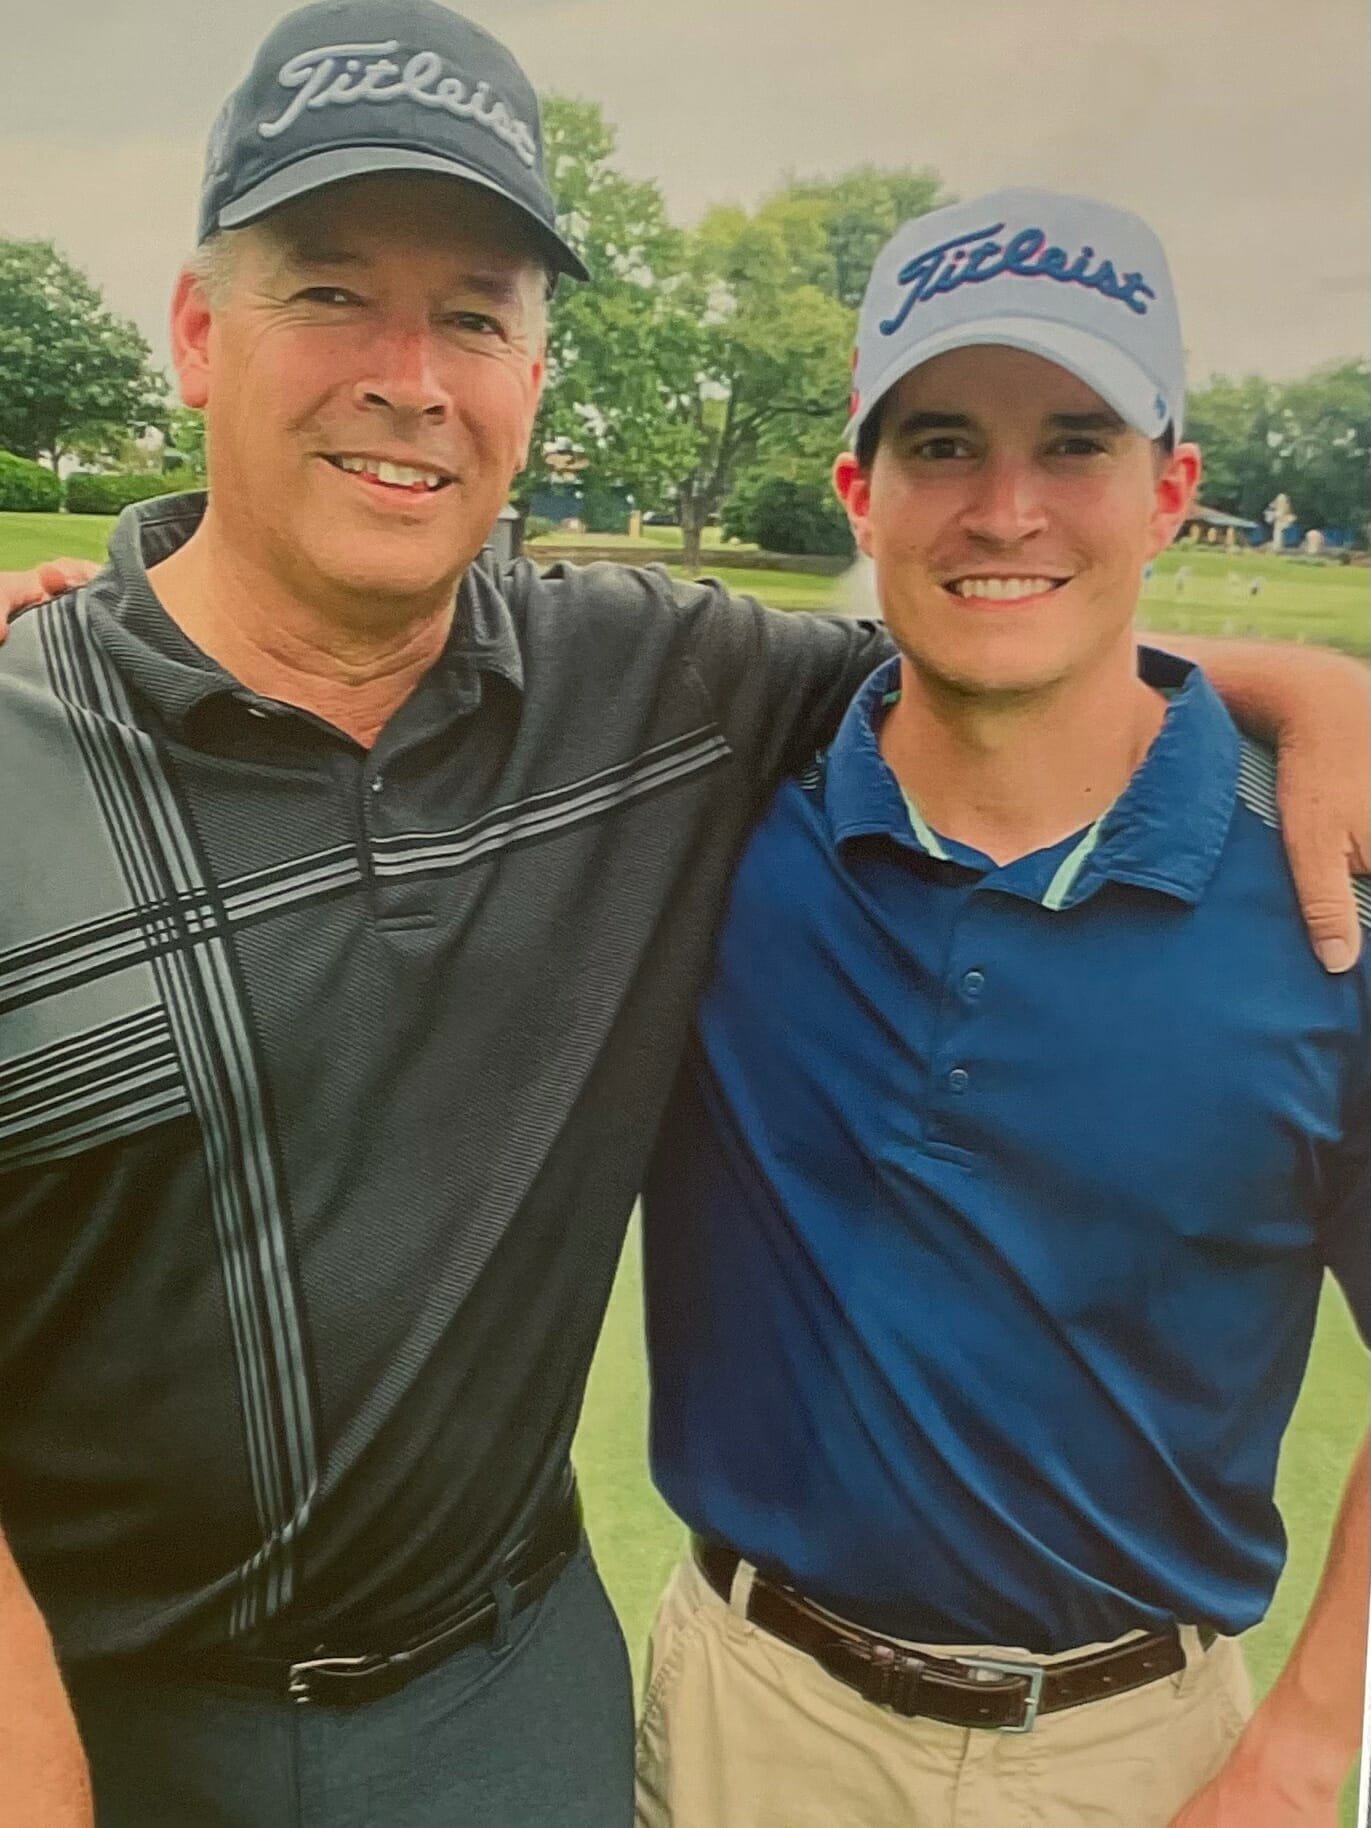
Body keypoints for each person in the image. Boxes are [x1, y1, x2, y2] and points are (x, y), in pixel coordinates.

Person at [0, 16, 1367, 1821]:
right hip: (141, 1710)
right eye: (329, 292)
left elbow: (1000, 636)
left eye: (474, 314)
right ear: (196, 331)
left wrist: (1317, 685)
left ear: (533, 373)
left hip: (526, 1701)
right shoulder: (28, 742)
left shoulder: (660, 691)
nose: (409, 375)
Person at [635, 190, 1371, 1828]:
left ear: (1169, 489)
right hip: (748, 1710)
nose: (1005, 507)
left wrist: (1307, 1740)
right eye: (944, 444)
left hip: (1142, 1751)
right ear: (864, 493)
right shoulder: (721, 816)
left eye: (1076, 445)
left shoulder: (1331, 894)